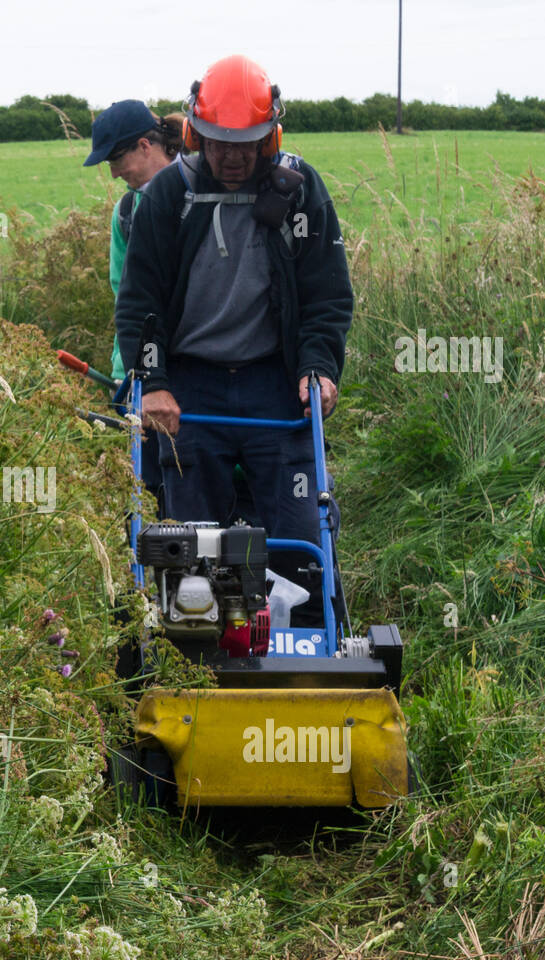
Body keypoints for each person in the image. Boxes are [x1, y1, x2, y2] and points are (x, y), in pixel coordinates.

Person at [114, 55, 352, 627]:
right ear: (196, 133)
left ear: (271, 135)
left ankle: (312, 639)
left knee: (299, 531)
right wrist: (155, 384)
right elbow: (140, 301)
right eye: (220, 142)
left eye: (248, 143)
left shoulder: (300, 191)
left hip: (275, 379)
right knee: (191, 539)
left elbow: (326, 297)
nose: (234, 156)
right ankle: (195, 647)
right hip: (190, 388)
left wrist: (318, 367)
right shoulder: (169, 196)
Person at [83, 100, 184, 517]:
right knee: (147, 495)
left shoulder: (202, 192)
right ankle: (149, 579)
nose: (113, 172)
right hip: (141, 376)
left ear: (145, 146)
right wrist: (129, 377)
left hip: (198, 370)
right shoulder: (126, 212)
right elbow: (124, 294)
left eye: (116, 159)